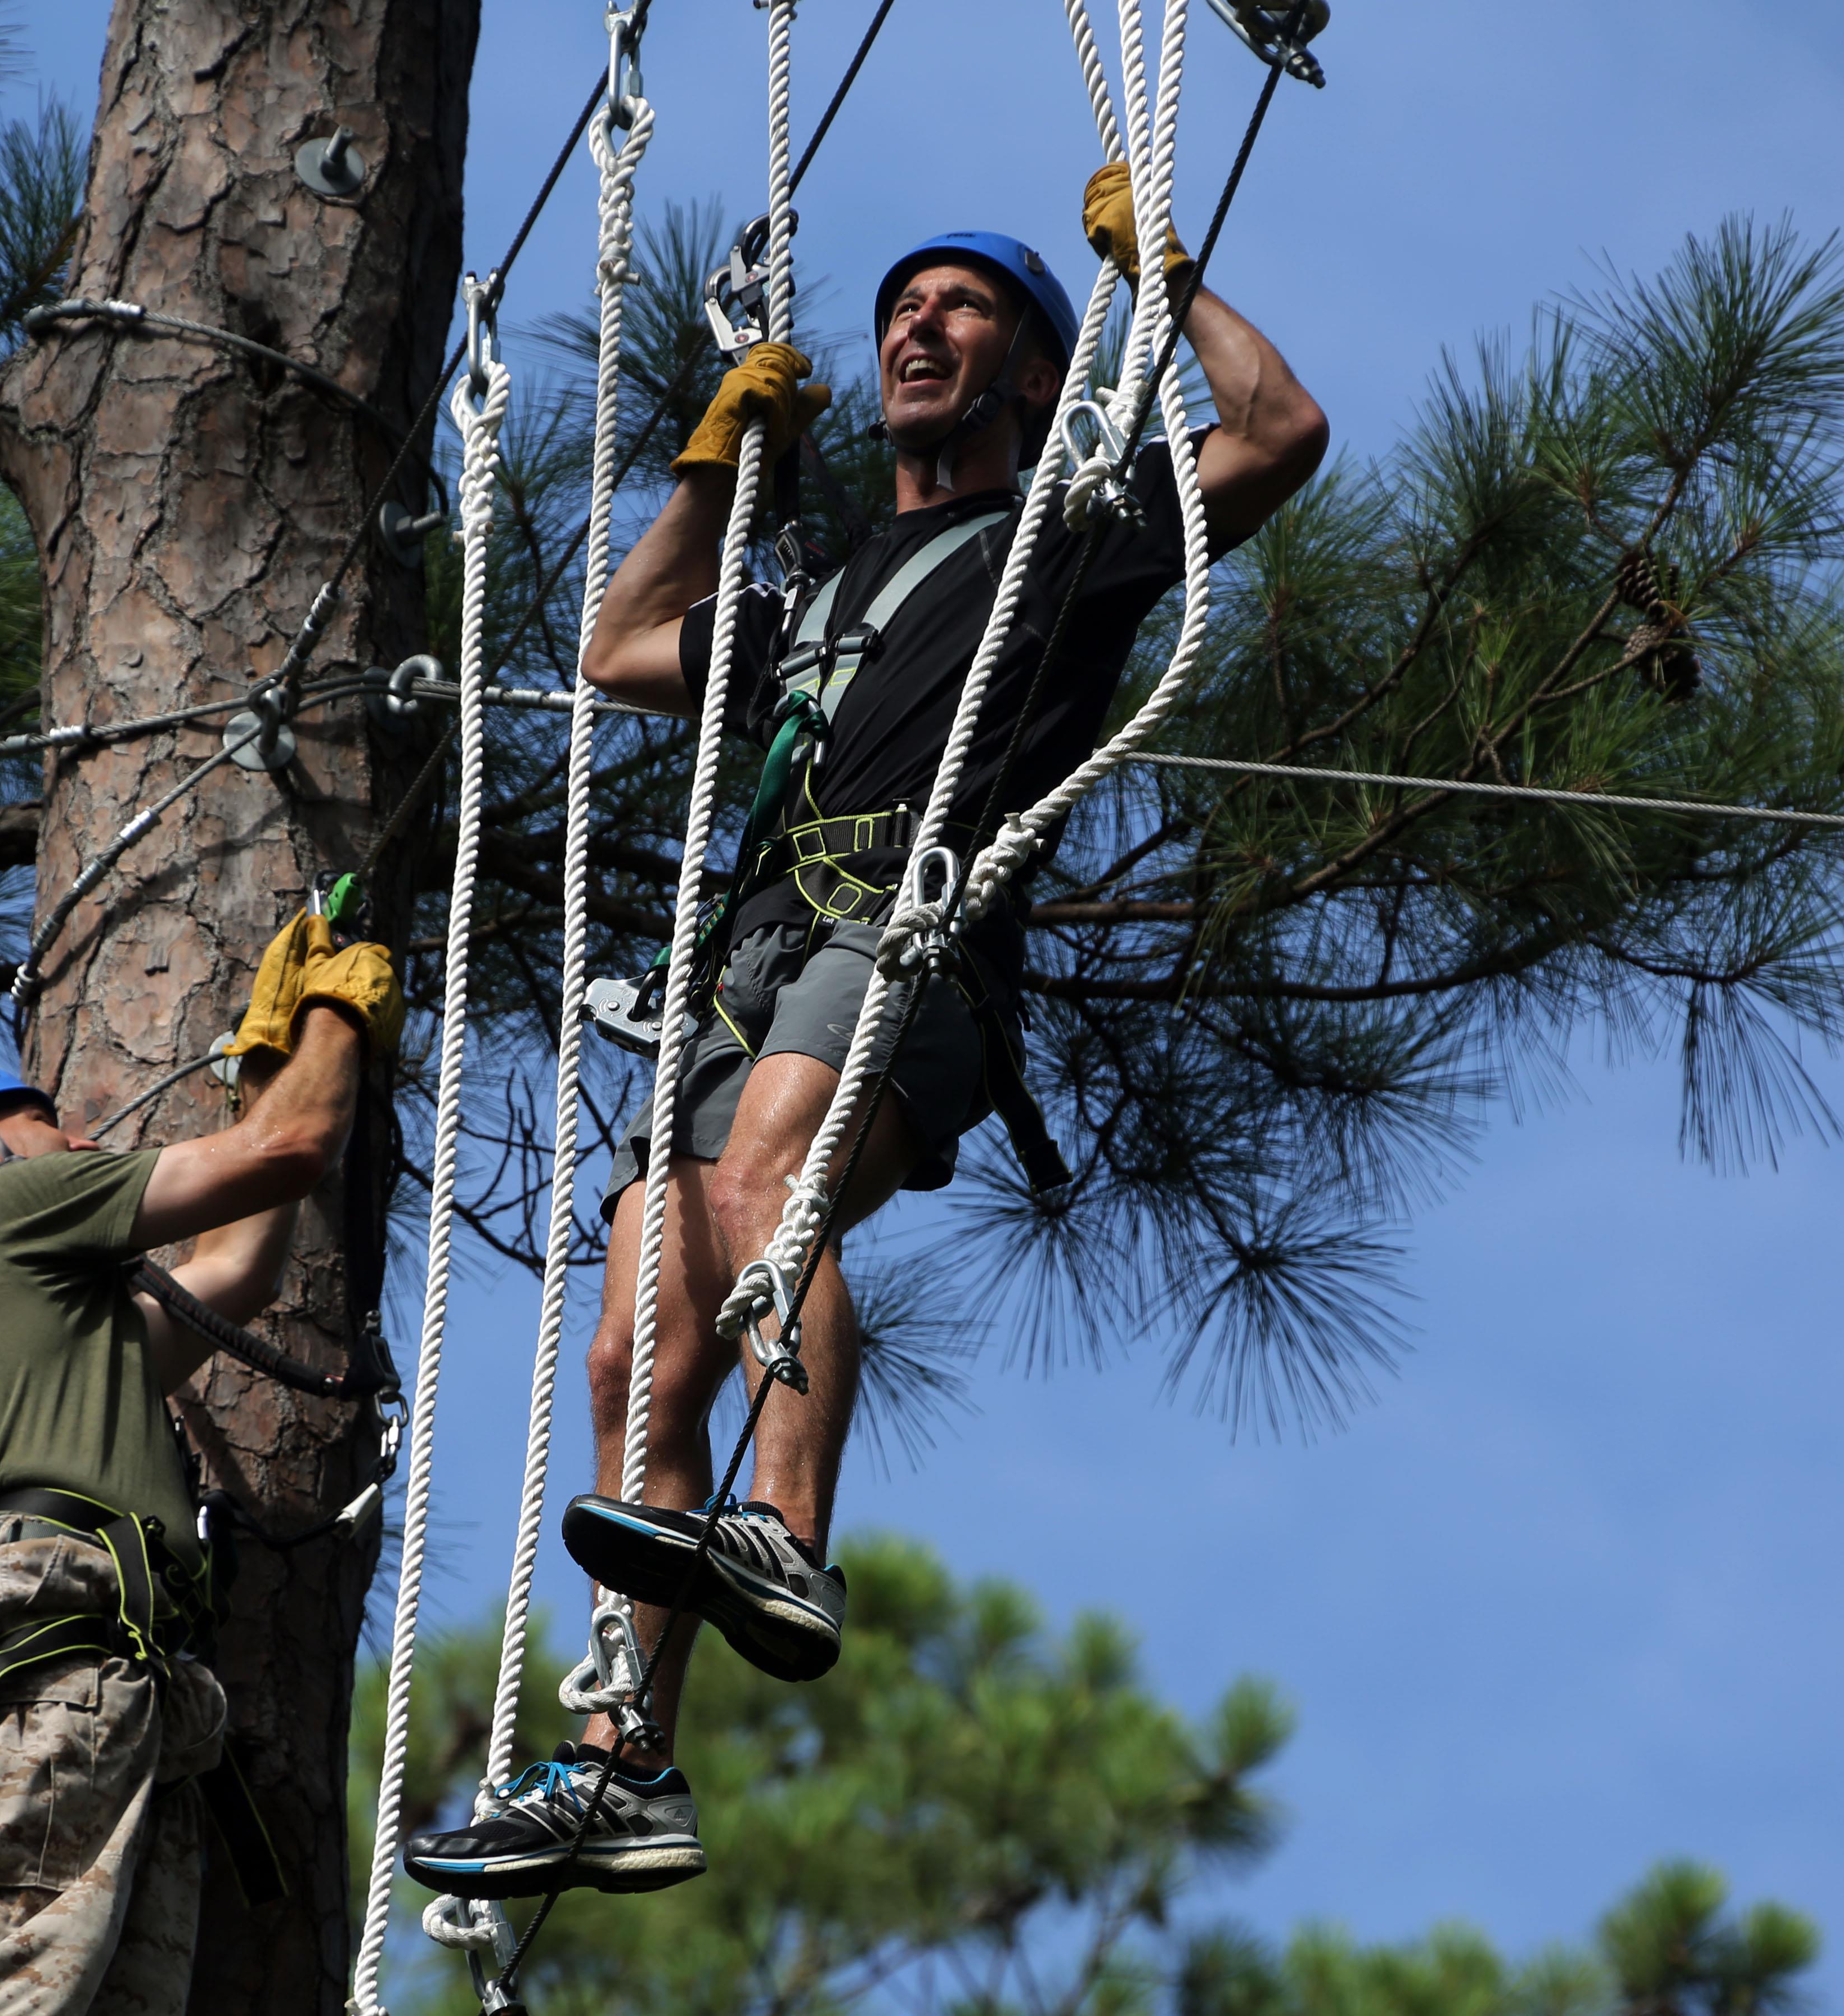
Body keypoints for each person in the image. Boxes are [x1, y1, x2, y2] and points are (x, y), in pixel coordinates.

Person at [406, 166, 1327, 1901]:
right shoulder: (812, 589)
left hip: (910, 935)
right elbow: (617, 645)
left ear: (1037, 369)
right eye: (903, 304)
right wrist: (703, 463)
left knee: (769, 1195)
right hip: (748, 961)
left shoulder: (1073, 531)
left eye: (963, 306)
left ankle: (789, 1537)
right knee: (626, 1356)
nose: (916, 323)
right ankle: (624, 1759)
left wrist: (1169, 276)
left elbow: (1275, 431)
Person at [0, 912, 398, 2016]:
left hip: (107, 1677)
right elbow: (287, 1153)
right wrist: (332, 1019)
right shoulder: (3, 1210)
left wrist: (264, 1072)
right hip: (63, 1659)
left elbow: (233, 1269)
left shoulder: (31, 1327)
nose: (84, 1133)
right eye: (47, 1119)